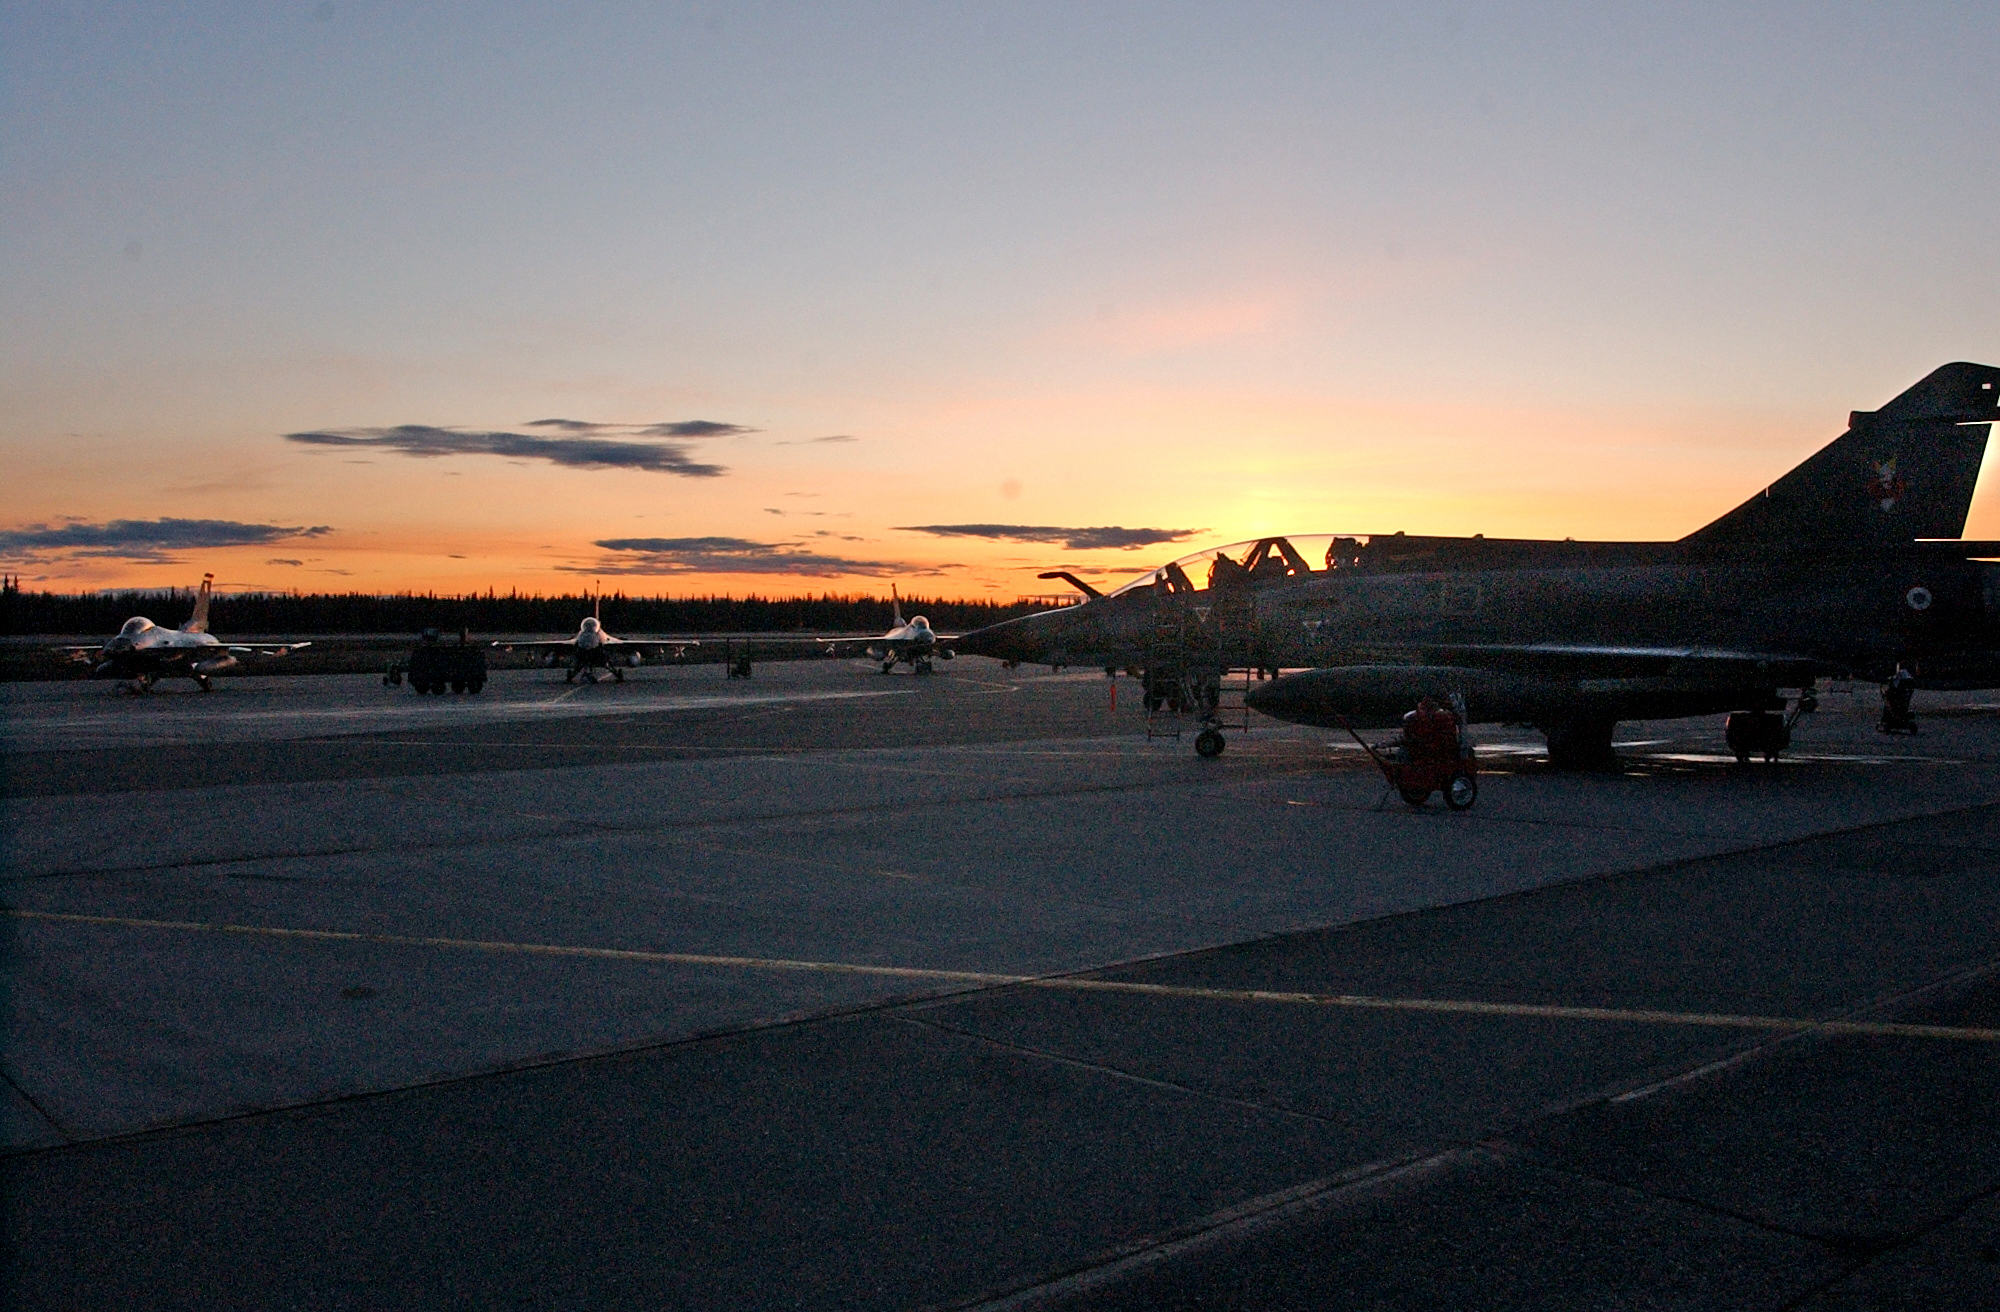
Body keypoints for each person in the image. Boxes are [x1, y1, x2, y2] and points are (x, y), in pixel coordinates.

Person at [1401, 696, 1461, 763]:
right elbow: (1408, 737)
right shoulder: (1411, 718)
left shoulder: (1445, 717)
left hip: (1441, 753)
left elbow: (1450, 739)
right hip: (1418, 752)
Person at [1880, 664, 1918, 734]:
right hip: (1902, 697)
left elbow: (1893, 685)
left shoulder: (1899, 676)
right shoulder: (1907, 676)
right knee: (1901, 706)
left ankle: (1891, 719)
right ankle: (1898, 717)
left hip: (1897, 697)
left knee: (1890, 704)